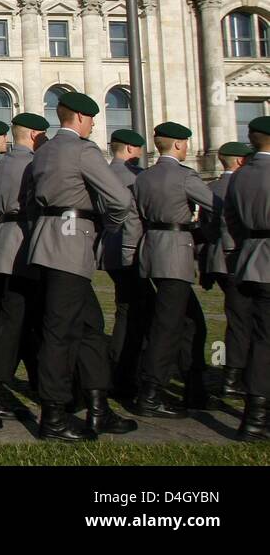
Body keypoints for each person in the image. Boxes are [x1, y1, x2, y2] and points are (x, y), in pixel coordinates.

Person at [21, 91, 136, 441]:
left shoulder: (42, 153)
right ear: (83, 120)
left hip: (44, 242)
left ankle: (98, 406)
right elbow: (119, 199)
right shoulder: (84, 151)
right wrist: (108, 226)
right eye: (91, 120)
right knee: (61, 332)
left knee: (89, 326)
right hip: (72, 243)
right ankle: (53, 415)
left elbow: (28, 203)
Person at [131, 122, 214, 419]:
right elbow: (218, 206)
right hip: (175, 250)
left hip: (151, 248)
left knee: (190, 322)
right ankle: (151, 392)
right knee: (168, 326)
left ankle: (194, 387)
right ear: (180, 145)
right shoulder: (184, 176)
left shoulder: (144, 178)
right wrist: (204, 234)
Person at [0, 112, 47, 418]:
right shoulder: (32, 165)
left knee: (20, 317)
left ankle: (37, 380)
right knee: (15, 320)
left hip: (4, 241)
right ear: (34, 134)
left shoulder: (2, 164)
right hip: (24, 242)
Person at [223, 115, 270, 441]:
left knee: (258, 337)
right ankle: (255, 418)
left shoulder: (240, 176)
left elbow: (231, 221)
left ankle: (255, 414)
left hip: (248, 258)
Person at [200, 141, 253, 399]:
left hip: (217, 258)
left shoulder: (212, 187)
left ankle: (235, 372)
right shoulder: (240, 186)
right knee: (244, 320)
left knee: (237, 317)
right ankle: (235, 375)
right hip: (238, 259)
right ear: (241, 161)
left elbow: (206, 227)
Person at [101, 129, 147, 400]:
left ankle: (120, 369)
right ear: (131, 149)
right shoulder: (134, 177)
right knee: (134, 313)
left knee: (125, 310)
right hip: (132, 250)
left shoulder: (105, 173)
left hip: (110, 249)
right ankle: (124, 373)